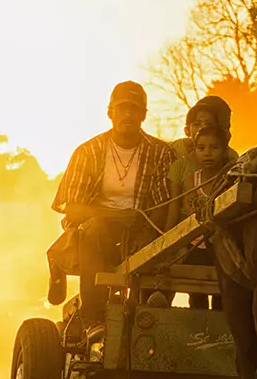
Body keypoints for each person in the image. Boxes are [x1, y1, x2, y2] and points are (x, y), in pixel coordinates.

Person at [46, 81, 176, 335]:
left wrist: (149, 233)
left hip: (140, 225)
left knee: (156, 246)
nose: (127, 115)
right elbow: (73, 209)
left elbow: (164, 203)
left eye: (134, 109)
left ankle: (146, 314)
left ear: (143, 115)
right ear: (110, 112)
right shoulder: (87, 152)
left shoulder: (160, 153)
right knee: (94, 230)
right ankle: (92, 319)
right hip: (96, 229)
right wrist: (115, 215)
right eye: (122, 108)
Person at [174, 123, 229, 310]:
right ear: (195, 151)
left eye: (214, 148)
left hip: (224, 246)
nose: (207, 153)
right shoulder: (192, 181)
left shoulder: (230, 180)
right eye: (201, 148)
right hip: (197, 245)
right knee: (197, 296)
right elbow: (193, 213)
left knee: (223, 295)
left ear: (224, 150)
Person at [165, 96, 238, 228]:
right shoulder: (174, 152)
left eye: (209, 124)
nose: (202, 128)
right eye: (197, 123)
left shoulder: (229, 157)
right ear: (187, 130)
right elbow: (173, 206)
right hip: (185, 229)